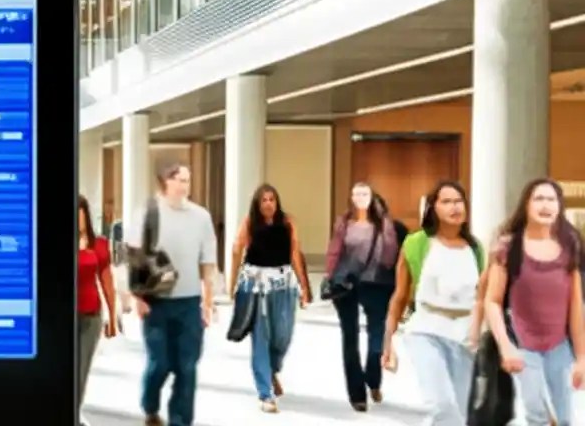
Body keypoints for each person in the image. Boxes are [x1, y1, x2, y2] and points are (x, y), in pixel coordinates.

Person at [382, 181, 486, 426]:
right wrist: (388, 343)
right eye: (446, 201)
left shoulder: (475, 247)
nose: (454, 207)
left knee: (463, 414)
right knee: (442, 407)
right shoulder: (417, 243)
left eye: (458, 201)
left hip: (464, 335)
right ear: (433, 208)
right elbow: (399, 296)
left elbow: (483, 297)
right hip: (426, 331)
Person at [483, 178, 585, 425]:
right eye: (539, 198)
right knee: (537, 413)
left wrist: (581, 357)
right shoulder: (508, 247)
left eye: (551, 199)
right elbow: (492, 301)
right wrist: (506, 347)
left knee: (563, 418)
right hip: (523, 345)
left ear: (559, 206)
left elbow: (576, 306)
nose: (546, 204)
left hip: (559, 347)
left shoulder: (570, 246)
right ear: (526, 205)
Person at [132, 164, 218, 426]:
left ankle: (180, 421)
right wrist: (137, 297)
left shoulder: (201, 217)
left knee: (187, 367)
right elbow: (136, 257)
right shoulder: (148, 213)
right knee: (160, 363)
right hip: (156, 302)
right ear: (165, 182)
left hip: (189, 302)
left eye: (188, 180)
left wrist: (208, 301)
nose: (185, 186)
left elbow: (208, 261)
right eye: (179, 180)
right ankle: (150, 405)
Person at [227, 184, 311, 413]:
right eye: (263, 200)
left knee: (283, 336)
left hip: (284, 285)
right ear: (257, 203)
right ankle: (265, 393)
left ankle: (272, 369)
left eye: (272, 199)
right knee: (261, 338)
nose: (268, 204)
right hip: (257, 285)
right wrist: (232, 283)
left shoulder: (287, 223)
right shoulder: (250, 223)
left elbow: (295, 253)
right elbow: (237, 250)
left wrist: (304, 286)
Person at [325, 181, 400, 412]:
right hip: (361, 284)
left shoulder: (375, 224)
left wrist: (330, 276)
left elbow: (334, 253)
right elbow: (335, 251)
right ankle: (365, 387)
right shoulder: (349, 223)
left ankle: (365, 387)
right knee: (363, 336)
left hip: (364, 284)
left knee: (362, 336)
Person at [77, 195, 118, 425]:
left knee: (81, 371)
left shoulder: (99, 244)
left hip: (90, 316)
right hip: (64, 318)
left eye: (79, 213)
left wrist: (112, 317)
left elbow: (107, 281)